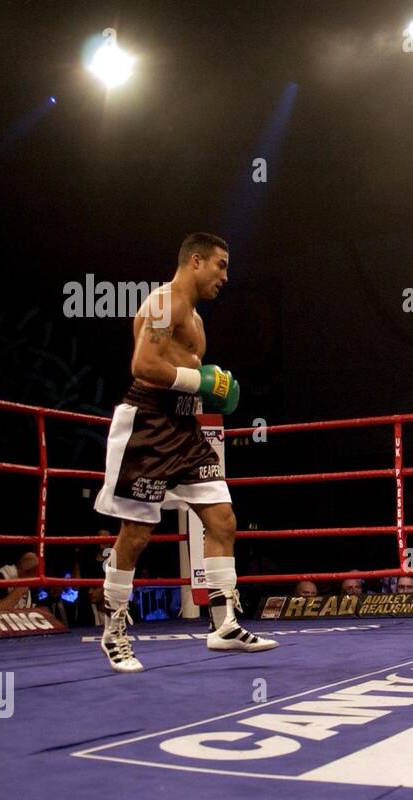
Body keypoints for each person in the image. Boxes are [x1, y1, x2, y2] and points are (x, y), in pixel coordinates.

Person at [92, 232, 277, 673]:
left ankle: (223, 624)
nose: (225, 276)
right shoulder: (162, 303)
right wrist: (200, 382)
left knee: (223, 519)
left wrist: (212, 389)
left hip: (186, 427)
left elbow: (187, 371)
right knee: (135, 535)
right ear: (196, 261)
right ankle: (114, 630)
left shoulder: (195, 317)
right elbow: (143, 365)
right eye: (220, 265)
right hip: (148, 426)